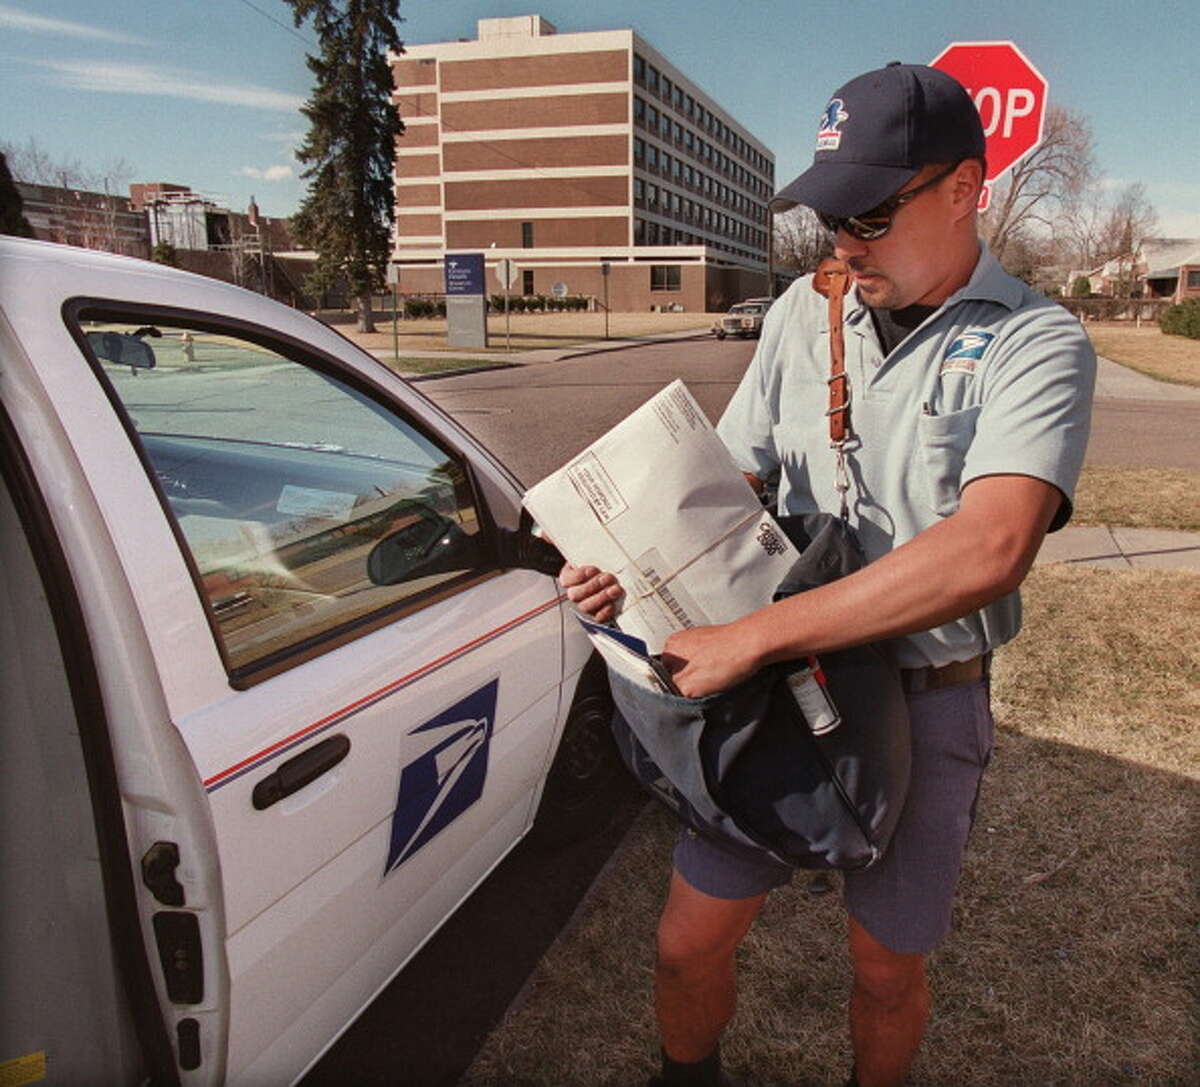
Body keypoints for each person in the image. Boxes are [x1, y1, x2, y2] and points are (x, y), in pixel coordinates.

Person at [561, 62, 1095, 1087]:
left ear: (964, 189)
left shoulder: (1034, 339)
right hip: (775, 697)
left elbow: (992, 546)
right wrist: (618, 560)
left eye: (871, 215)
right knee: (685, 943)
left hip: (921, 694)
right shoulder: (800, 318)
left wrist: (751, 636)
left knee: (885, 970)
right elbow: (726, 480)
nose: (844, 243)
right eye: (830, 218)